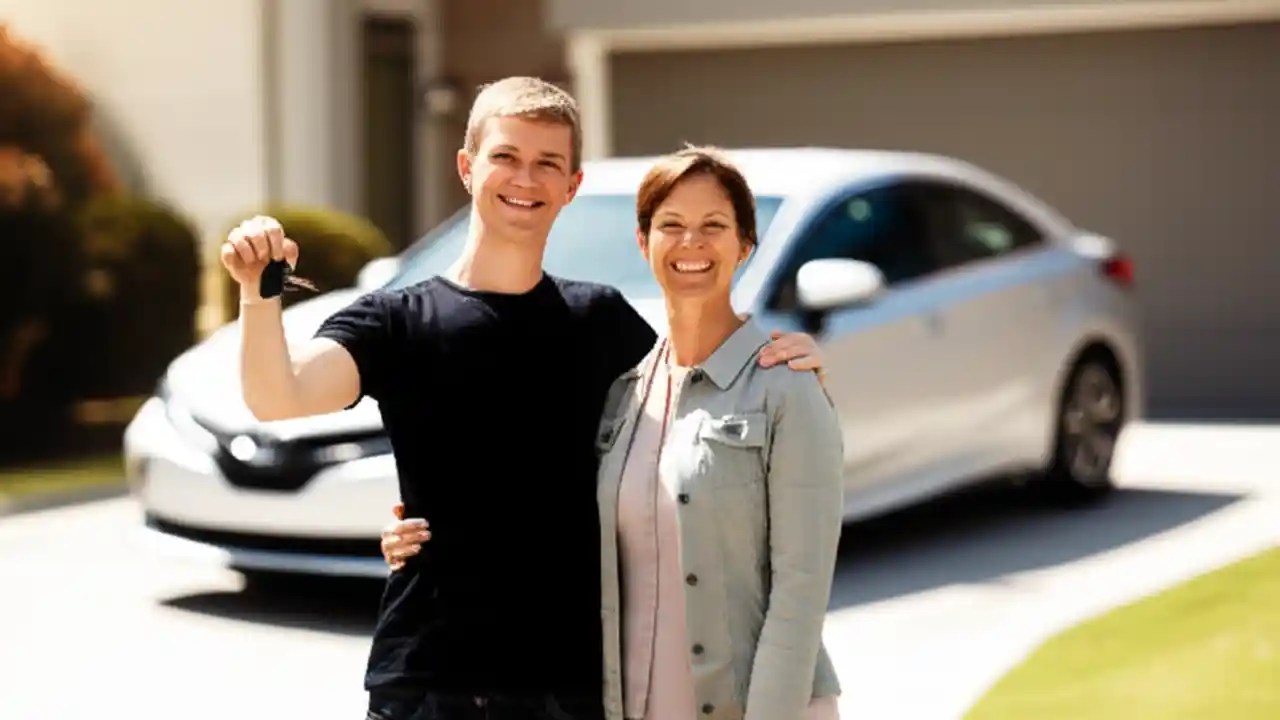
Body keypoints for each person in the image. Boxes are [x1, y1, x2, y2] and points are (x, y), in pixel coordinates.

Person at [219, 77, 826, 720]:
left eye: (548, 164)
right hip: (430, 680)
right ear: (466, 166)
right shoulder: (396, 322)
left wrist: (783, 365)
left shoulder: (601, 321)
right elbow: (277, 396)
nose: (525, 179)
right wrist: (258, 294)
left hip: (570, 686)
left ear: (572, 186)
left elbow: (702, 411)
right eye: (505, 156)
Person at [382, 147, 844, 720]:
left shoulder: (787, 389)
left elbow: (801, 591)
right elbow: (534, 499)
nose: (690, 243)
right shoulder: (624, 391)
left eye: (713, 227)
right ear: (643, 242)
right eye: (670, 225)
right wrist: (422, 529)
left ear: (746, 245)